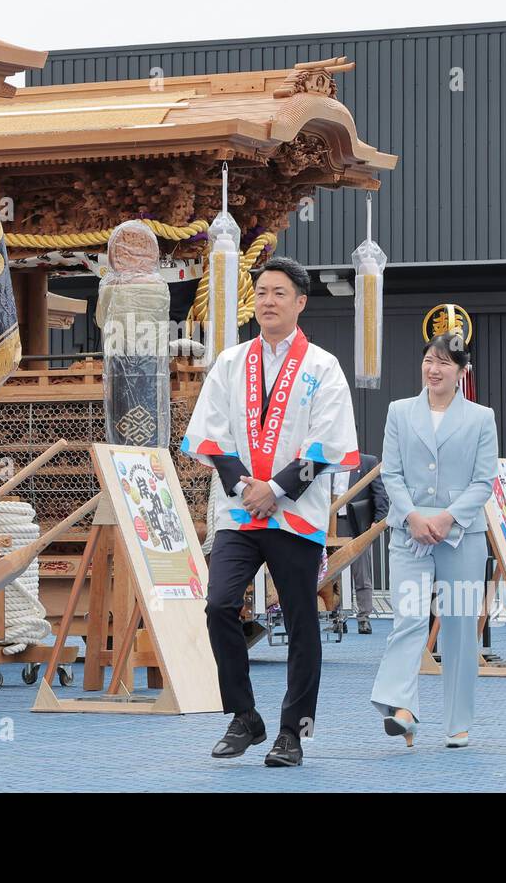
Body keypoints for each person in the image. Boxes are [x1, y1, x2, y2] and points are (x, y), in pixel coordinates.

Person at [182, 256, 359, 767]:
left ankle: (293, 733)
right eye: (260, 291)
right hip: (239, 512)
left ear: (300, 303)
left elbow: (328, 446)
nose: (267, 301)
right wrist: (246, 488)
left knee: (302, 621)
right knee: (218, 605)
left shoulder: (322, 366)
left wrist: (276, 490)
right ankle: (244, 716)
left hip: (295, 513)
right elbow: (211, 438)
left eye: (279, 292)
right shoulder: (232, 361)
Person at [369, 333, 499, 748]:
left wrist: (445, 519)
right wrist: (412, 516)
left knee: (460, 629)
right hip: (409, 535)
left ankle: (458, 722)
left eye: (444, 362)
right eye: (429, 360)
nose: (434, 369)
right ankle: (400, 708)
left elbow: (484, 481)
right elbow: (392, 473)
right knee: (407, 618)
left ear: (461, 372)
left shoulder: (481, 417)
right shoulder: (399, 412)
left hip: (461, 538)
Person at [330, 452, 390, 634]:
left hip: (357, 522)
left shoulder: (367, 461)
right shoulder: (327, 461)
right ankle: (337, 617)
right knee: (334, 573)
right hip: (332, 523)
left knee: (361, 572)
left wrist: (379, 519)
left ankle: (364, 617)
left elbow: (380, 492)